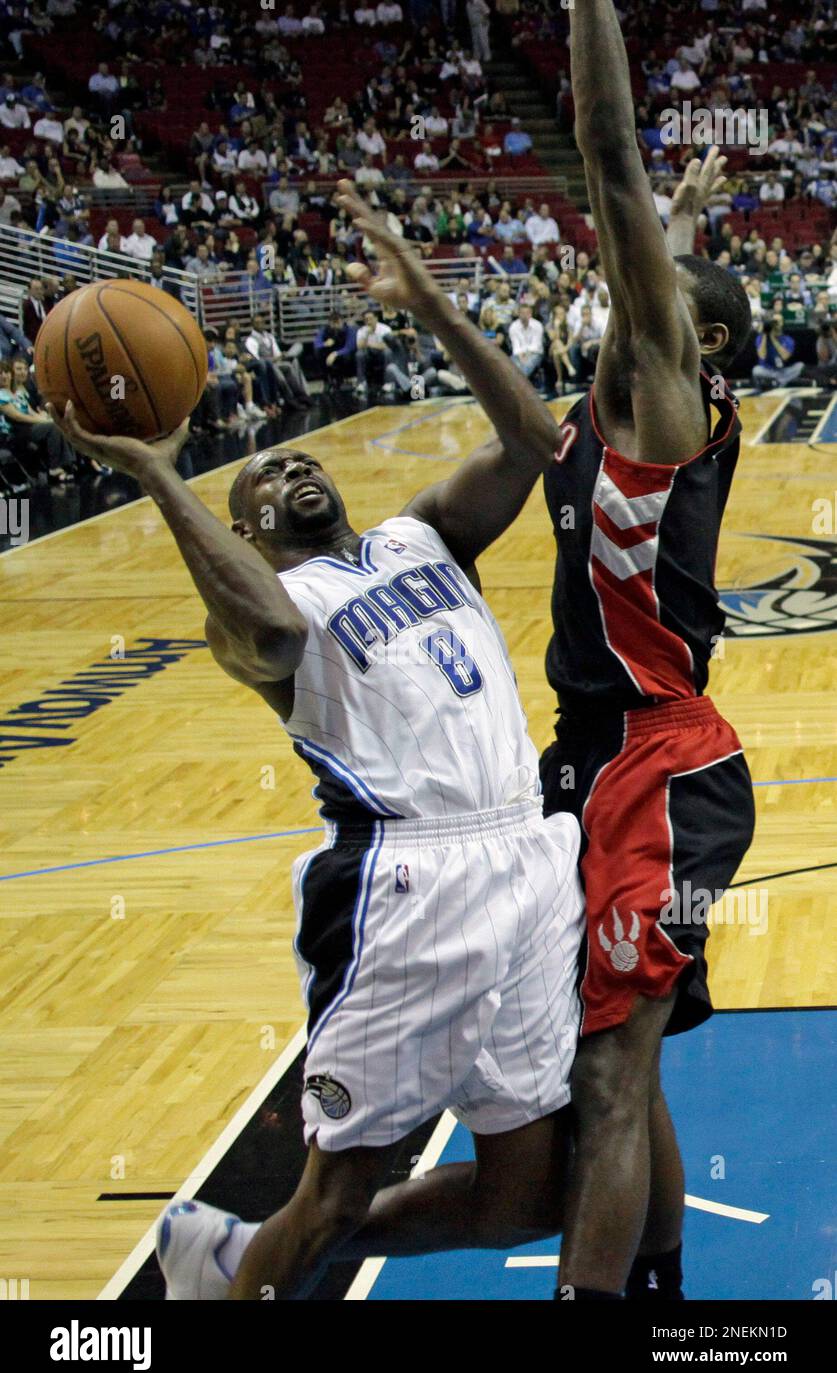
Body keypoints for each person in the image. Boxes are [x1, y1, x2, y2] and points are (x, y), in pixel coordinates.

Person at [50, 181, 585, 1301]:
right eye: (263, 479)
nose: (291, 470)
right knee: (335, 1186)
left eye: (298, 460)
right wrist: (158, 468)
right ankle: (246, 1275)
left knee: (524, 1196)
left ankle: (246, 1255)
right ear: (239, 528)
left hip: (530, 857)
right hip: (407, 884)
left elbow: (540, 442)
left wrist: (429, 301)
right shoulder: (255, 619)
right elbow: (270, 623)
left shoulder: (420, 535)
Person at [540, 3, 756, 1307]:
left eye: (657, 298)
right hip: (606, 766)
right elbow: (636, 260)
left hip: (666, 779)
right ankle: (663, 1295)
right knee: (630, 1066)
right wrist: (670, 232)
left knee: (606, 1079)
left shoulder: (665, 411)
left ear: (698, 347)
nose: (629, 303)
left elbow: (607, 155)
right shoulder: (618, 400)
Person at [752, 314, 805, 391]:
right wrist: (765, 335)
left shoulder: (787, 339)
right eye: (773, 322)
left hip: (783, 370)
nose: (775, 324)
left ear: (782, 323)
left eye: (777, 322)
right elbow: (762, 356)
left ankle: (778, 382)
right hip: (768, 371)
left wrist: (773, 338)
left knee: (800, 366)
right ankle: (781, 381)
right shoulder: (761, 338)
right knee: (756, 370)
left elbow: (785, 356)